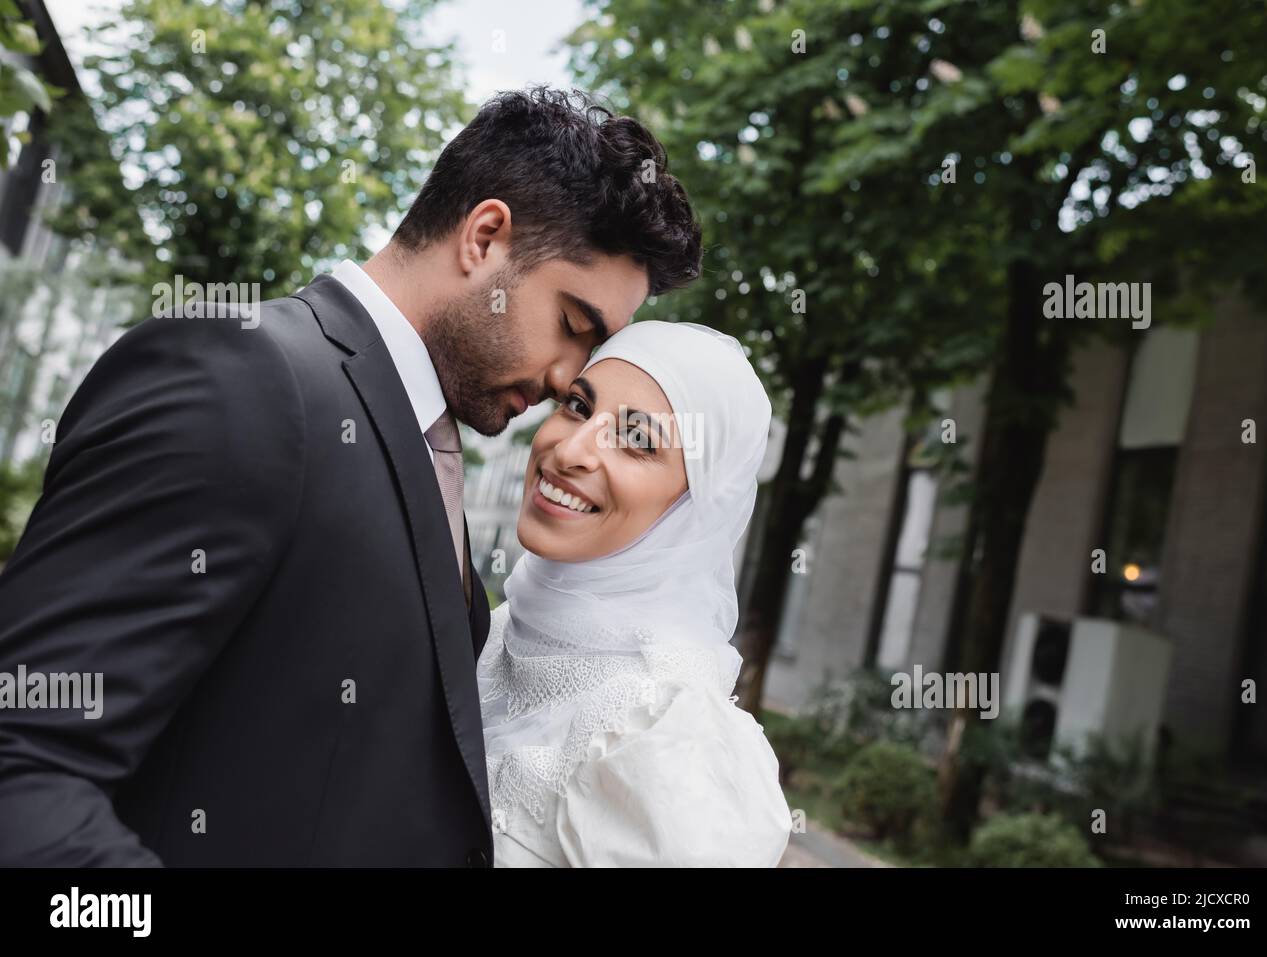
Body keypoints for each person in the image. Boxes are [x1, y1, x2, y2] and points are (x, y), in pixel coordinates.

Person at [0, 87, 701, 866]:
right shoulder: (244, 376)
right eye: (573, 325)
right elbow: (23, 772)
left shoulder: (426, 443)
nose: (567, 376)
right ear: (486, 236)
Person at [479, 320, 792, 867]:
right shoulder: (503, 629)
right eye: (578, 406)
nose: (571, 449)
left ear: (691, 511)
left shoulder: (664, 732)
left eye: (638, 440)